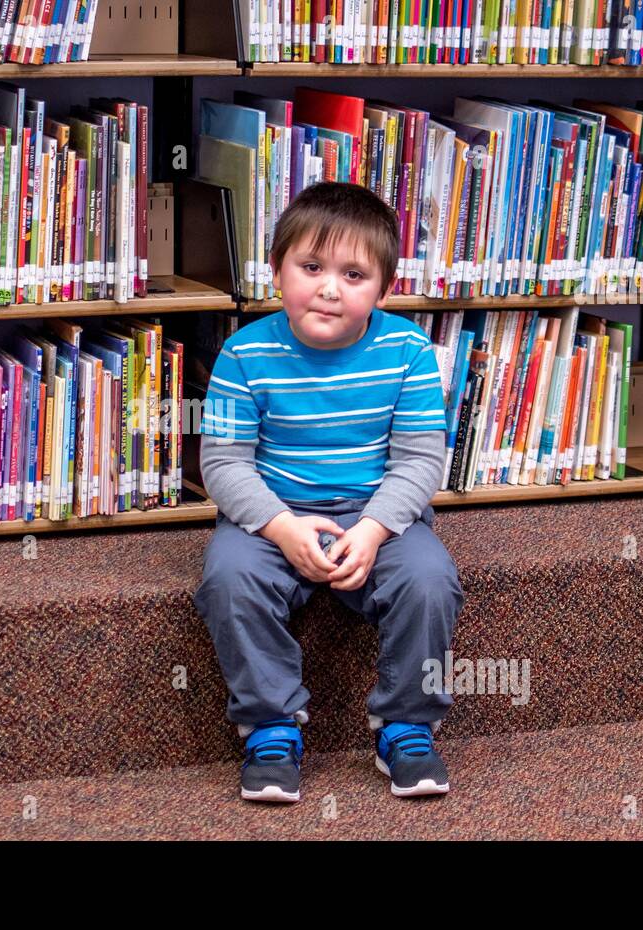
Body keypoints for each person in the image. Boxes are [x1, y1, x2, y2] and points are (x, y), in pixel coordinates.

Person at [193, 182, 465, 803]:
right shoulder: (243, 353)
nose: (330, 288)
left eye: (354, 274)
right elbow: (225, 463)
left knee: (429, 580)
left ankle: (405, 725)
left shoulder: (409, 352)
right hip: (270, 515)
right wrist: (281, 527)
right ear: (276, 271)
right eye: (311, 267)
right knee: (228, 579)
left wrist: (373, 530)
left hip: (377, 516)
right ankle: (270, 726)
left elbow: (421, 460)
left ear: (384, 288)